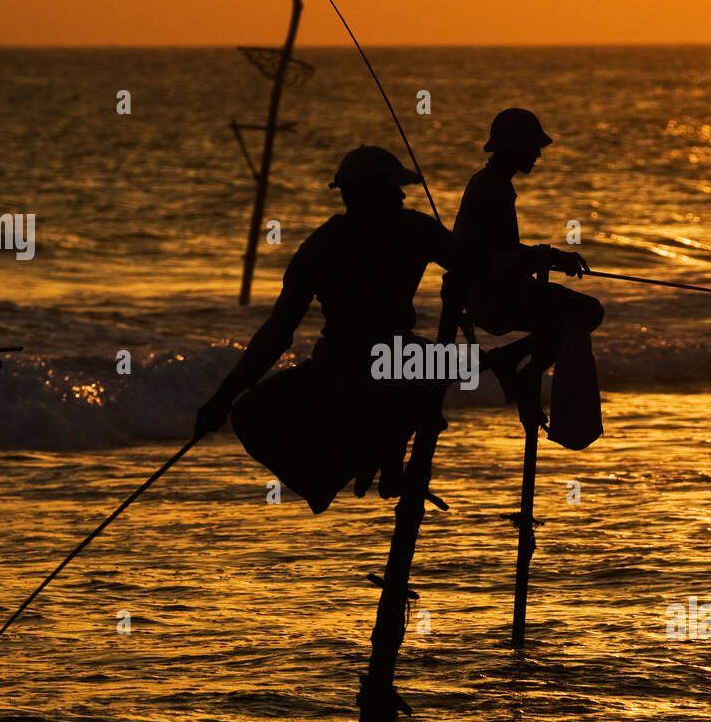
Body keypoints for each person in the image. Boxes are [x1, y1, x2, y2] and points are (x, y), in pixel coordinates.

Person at [194, 145, 460, 513]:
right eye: (392, 188)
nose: (401, 195)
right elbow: (472, 264)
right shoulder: (409, 230)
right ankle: (344, 470)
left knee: (439, 364)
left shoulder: (332, 242)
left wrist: (222, 399)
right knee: (439, 363)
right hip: (353, 368)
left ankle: (370, 462)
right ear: (367, 194)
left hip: (353, 367)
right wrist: (225, 399)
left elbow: (277, 331)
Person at [453, 108, 604, 449]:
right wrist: (547, 256)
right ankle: (522, 368)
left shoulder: (492, 184)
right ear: (512, 148)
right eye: (532, 147)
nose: (537, 154)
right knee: (587, 311)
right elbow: (496, 260)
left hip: (493, 294)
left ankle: (518, 366)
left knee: (570, 314)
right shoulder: (493, 190)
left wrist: (545, 255)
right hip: (495, 300)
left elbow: (498, 250)